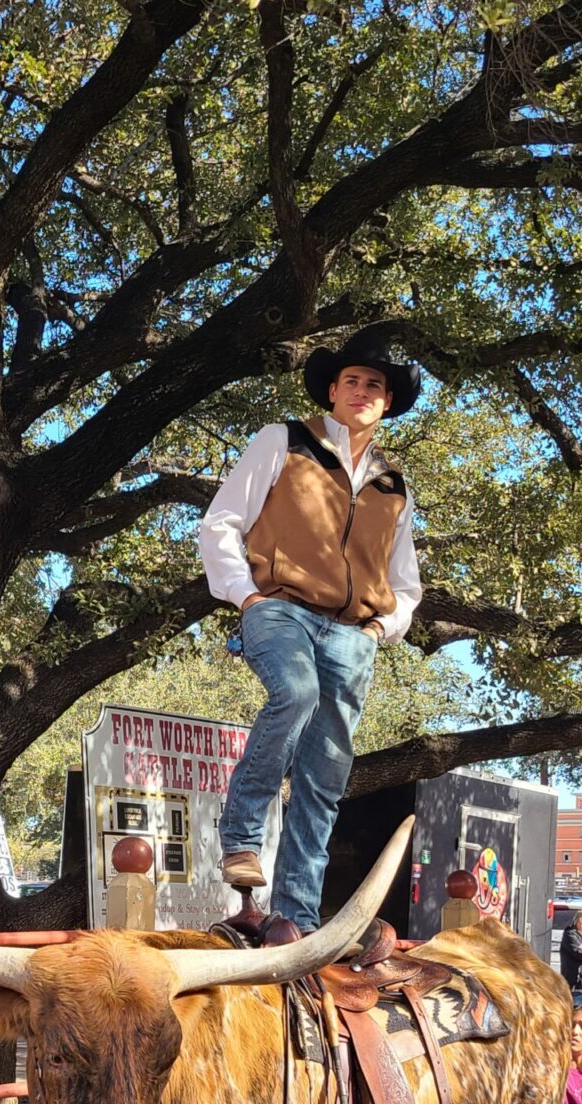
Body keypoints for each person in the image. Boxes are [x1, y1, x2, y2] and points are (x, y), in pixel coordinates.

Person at [199, 323, 422, 939]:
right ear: (331, 391)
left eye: (373, 385)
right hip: (279, 606)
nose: (361, 390)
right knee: (293, 692)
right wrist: (244, 594)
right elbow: (221, 522)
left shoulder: (394, 487)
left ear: (387, 402)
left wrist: (383, 628)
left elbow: (406, 582)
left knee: (326, 774)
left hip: (354, 634)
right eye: (350, 380)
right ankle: (242, 840)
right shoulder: (284, 441)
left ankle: (295, 917)